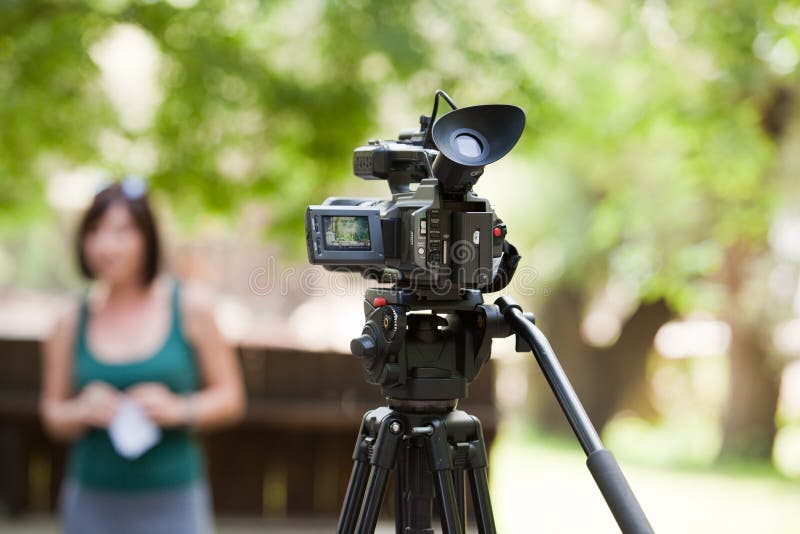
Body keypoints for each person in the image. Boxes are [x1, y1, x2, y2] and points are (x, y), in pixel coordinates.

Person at [40, 177, 246, 534]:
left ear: (148, 238)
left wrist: (178, 409)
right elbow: (52, 414)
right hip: (91, 502)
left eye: (122, 232)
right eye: (95, 231)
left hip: (174, 501)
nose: (106, 245)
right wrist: (81, 410)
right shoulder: (69, 319)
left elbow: (231, 399)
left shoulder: (192, 307)